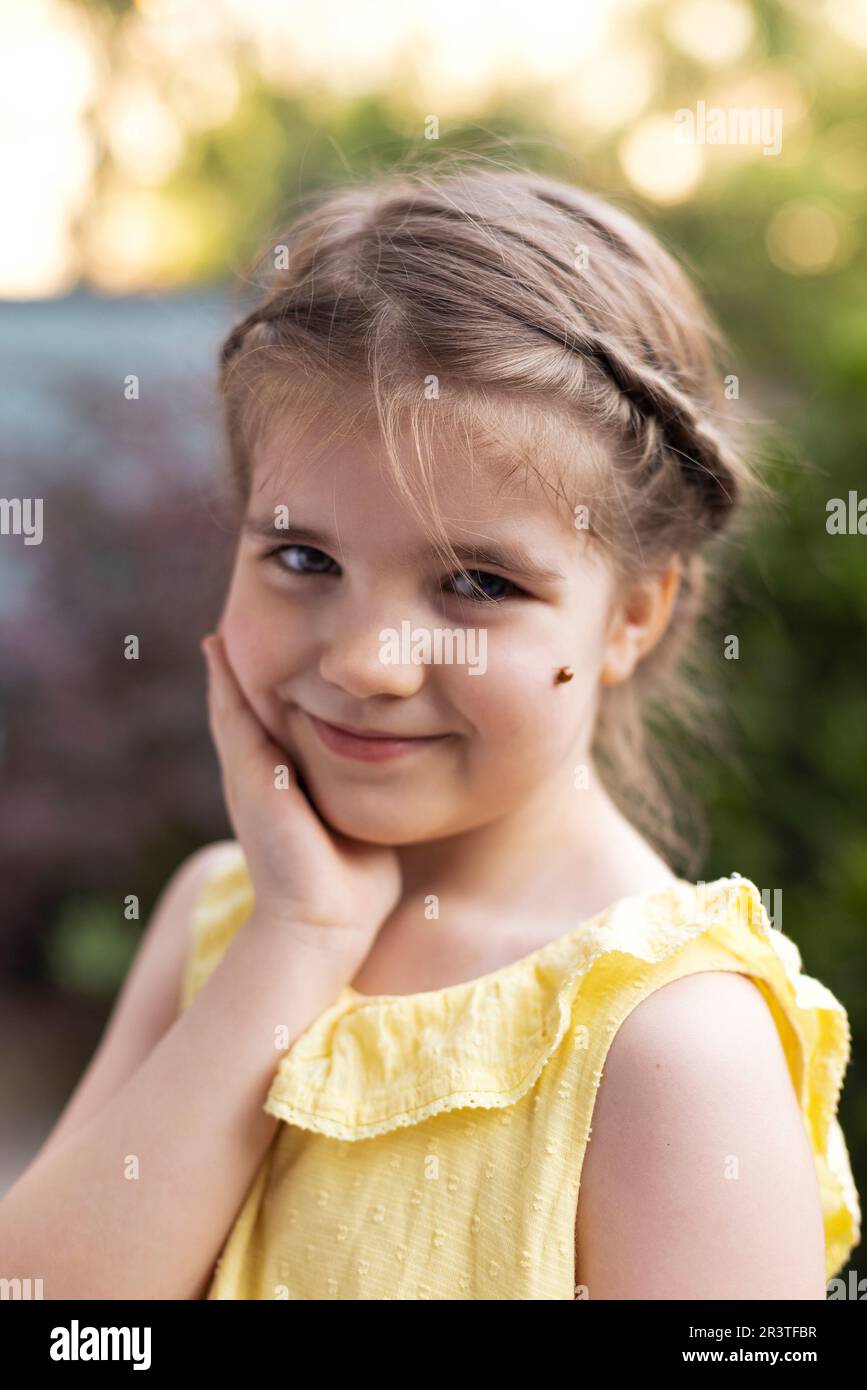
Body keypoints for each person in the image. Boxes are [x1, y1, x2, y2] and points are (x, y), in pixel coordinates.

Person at [1, 156, 859, 1299]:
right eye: (303, 557)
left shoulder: (670, 1045)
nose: (365, 661)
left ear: (633, 616)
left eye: (478, 584)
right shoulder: (222, 917)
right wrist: (296, 939)